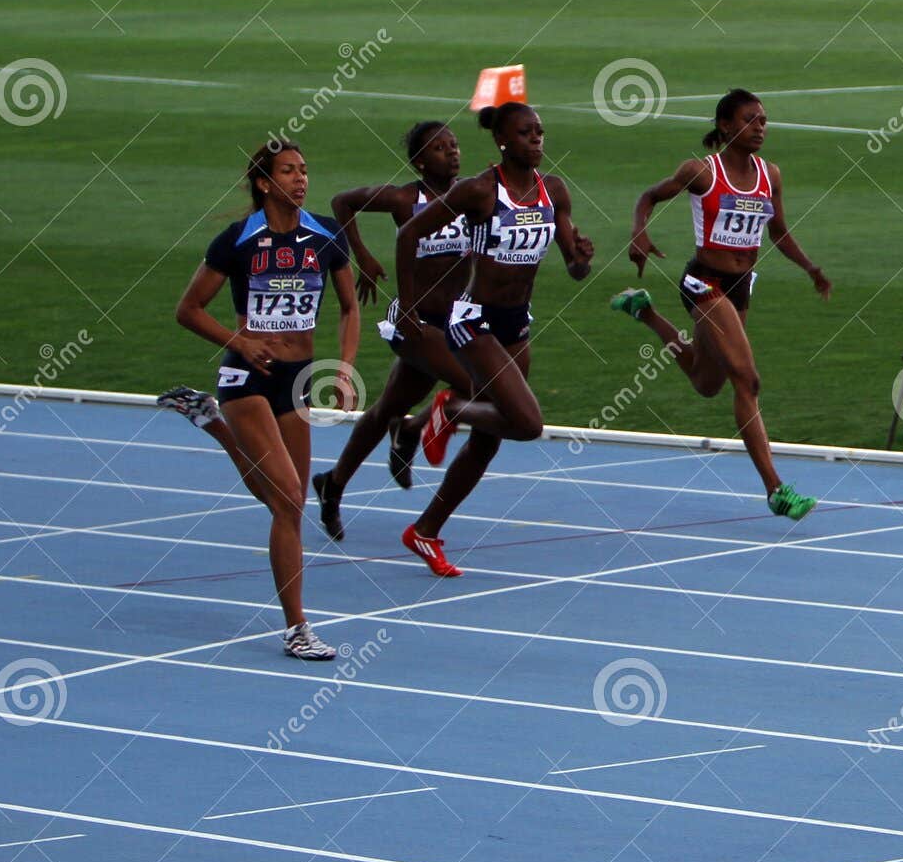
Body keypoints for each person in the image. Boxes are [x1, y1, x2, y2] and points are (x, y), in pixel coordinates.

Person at [173, 141, 359, 659]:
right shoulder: (238, 240)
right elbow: (189, 309)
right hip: (248, 376)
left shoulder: (326, 235)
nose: (301, 179)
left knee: (287, 506)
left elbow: (349, 308)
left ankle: (213, 425)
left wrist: (343, 368)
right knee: (288, 499)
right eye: (288, 171)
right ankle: (298, 629)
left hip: (297, 380)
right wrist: (239, 340)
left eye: (305, 170)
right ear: (264, 182)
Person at [391, 100, 593, 576]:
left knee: (488, 441)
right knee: (527, 424)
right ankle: (449, 409)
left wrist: (581, 258)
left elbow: (574, 268)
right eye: (525, 133)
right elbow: (408, 236)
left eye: (540, 131)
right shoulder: (480, 190)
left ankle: (425, 531)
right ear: (502, 140)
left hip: (515, 323)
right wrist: (409, 308)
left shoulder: (554, 191)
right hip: (474, 322)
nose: (536, 139)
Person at [608, 88, 829, 519]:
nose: (760, 128)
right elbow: (649, 196)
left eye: (763, 120)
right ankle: (776, 490)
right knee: (747, 379)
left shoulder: (770, 175)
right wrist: (639, 233)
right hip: (704, 282)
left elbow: (778, 232)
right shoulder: (701, 172)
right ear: (726, 126)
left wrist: (810, 267)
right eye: (750, 120)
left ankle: (645, 312)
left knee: (706, 382)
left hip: (740, 286)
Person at [308, 121, 475, 541]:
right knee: (475, 385)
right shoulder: (404, 199)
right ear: (420, 161)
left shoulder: (470, 197)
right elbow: (342, 201)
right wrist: (362, 256)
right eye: (439, 148)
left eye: (454, 145)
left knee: (386, 409)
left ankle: (333, 483)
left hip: (452, 323)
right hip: (413, 321)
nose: (452, 152)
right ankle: (414, 429)